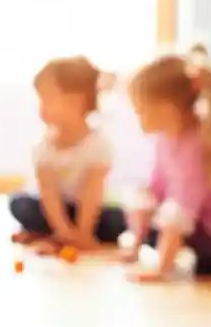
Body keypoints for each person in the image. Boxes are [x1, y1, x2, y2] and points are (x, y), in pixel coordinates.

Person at [124, 45, 211, 282]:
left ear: (167, 108)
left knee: (171, 220)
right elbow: (154, 190)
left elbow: (182, 208)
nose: (137, 116)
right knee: (153, 212)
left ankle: (167, 260)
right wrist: (134, 246)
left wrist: (160, 269)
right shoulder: (167, 139)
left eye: (141, 109)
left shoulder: (199, 143)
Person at [8, 56, 125, 250]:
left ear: (75, 101)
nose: (41, 107)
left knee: (116, 219)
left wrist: (83, 232)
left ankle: (50, 235)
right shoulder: (44, 146)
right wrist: (63, 229)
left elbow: (92, 193)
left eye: (47, 99)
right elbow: (48, 192)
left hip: (88, 211)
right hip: (53, 210)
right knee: (20, 203)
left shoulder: (98, 145)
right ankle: (56, 234)